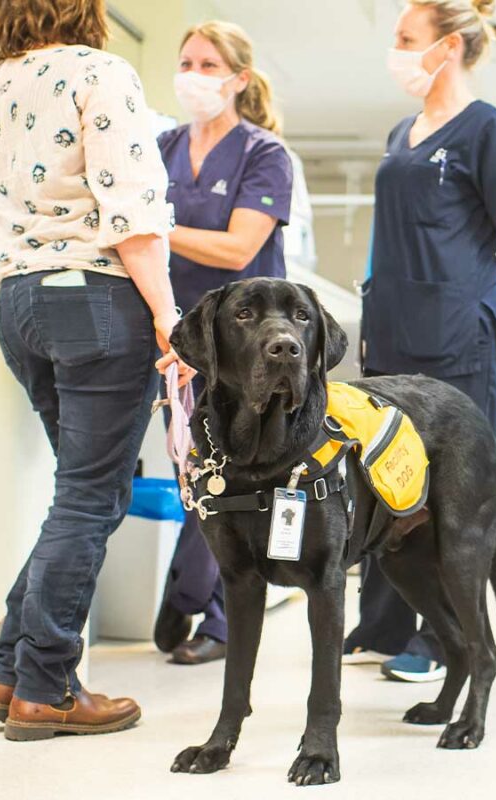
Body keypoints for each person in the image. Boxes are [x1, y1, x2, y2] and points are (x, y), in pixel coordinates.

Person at [0, 0, 193, 741]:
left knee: (85, 496)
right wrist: (168, 317)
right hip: (96, 298)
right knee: (91, 499)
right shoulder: (101, 73)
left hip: (19, 301)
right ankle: (46, 687)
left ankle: (9, 671)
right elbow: (133, 212)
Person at [347, 0, 496, 682]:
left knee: (451, 489)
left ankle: (443, 640)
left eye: (407, 38)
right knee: (385, 477)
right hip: (396, 334)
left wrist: (475, 294)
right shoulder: (405, 131)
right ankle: (383, 625)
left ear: (449, 46)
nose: (396, 50)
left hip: (460, 339)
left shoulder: (487, 129)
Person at [152, 20, 294, 665]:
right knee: (190, 471)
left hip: (245, 351)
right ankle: (190, 595)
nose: (193, 75)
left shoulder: (265, 154)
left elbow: (239, 248)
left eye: (209, 65)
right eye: (186, 62)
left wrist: (151, 224)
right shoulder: (162, 145)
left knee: (230, 473)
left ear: (238, 78)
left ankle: (206, 608)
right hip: (175, 333)